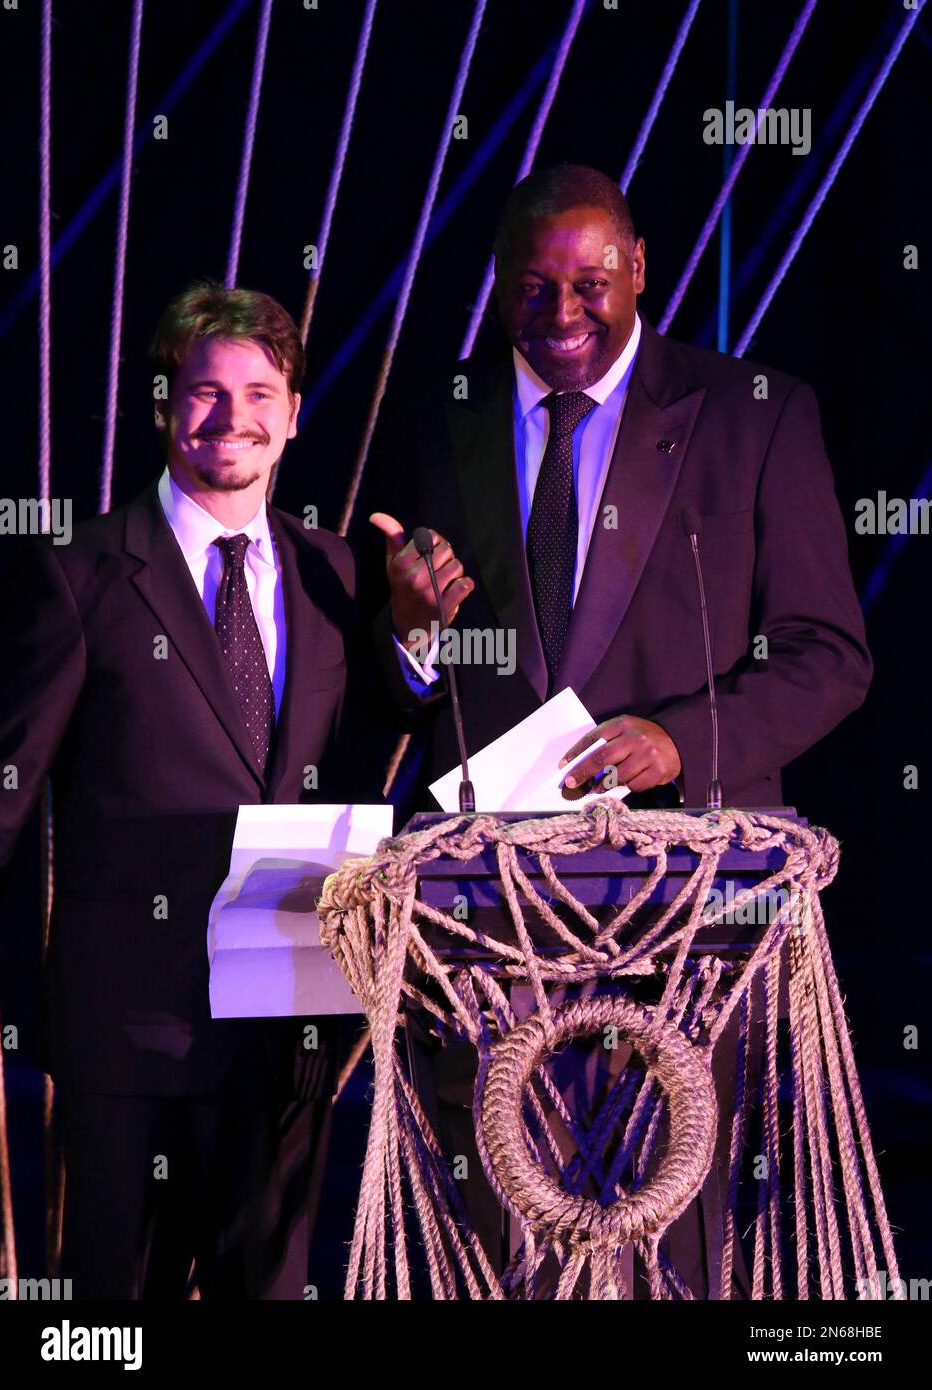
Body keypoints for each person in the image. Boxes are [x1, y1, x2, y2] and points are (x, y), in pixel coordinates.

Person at [359, 163, 873, 1296]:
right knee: (500, 1232)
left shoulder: (754, 416)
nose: (563, 315)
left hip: (692, 914)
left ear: (639, 268)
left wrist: (680, 739)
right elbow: (384, 690)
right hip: (489, 922)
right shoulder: (432, 421)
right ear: (499, 287)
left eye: (591, 282)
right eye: (535, 289)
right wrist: (410, 633)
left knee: (668, 1230)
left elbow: (830, 657)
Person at [0, 281, 360, 1299]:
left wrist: (417, 646)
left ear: (291, 414)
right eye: (202, 391)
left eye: (257, 391)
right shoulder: (83, 575)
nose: (229, 416)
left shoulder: (336, 573)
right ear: (164, 407)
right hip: (129, 1035)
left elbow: (379, 730)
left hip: (286, 1024)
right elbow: (4, 792)